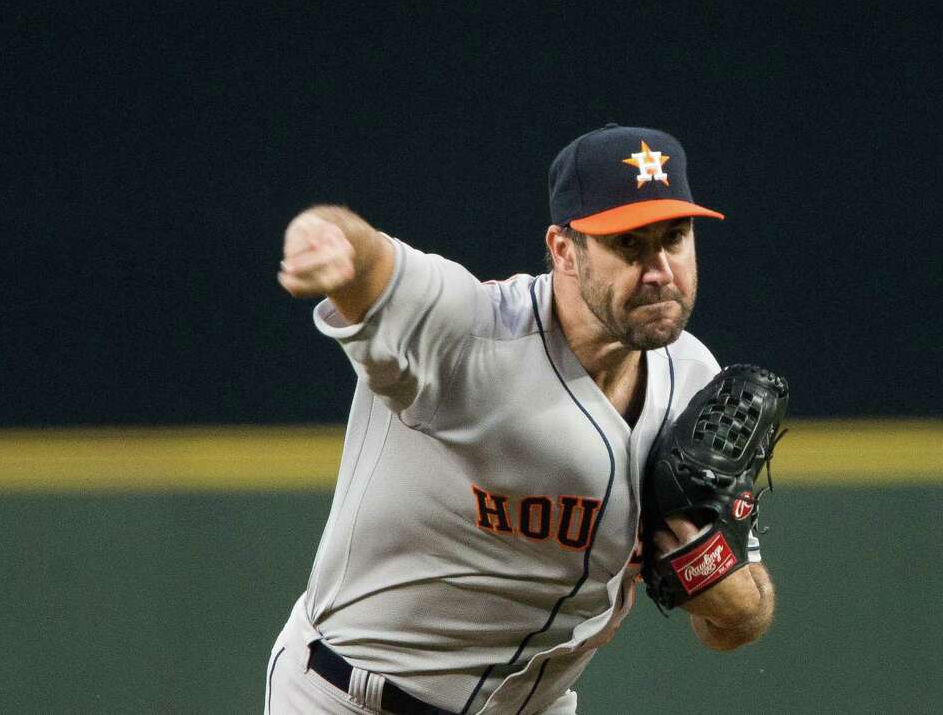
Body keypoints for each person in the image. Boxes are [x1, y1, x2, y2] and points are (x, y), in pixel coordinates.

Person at [266, 125, 775, 715]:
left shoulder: (692, 380)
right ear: (563, 249)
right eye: (629, 245)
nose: (659, 268)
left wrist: (709, 574)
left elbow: (737, 622)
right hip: (354, 698)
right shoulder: (470, 337)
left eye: (675, 237)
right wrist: (334, 240)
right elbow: (380, 268)